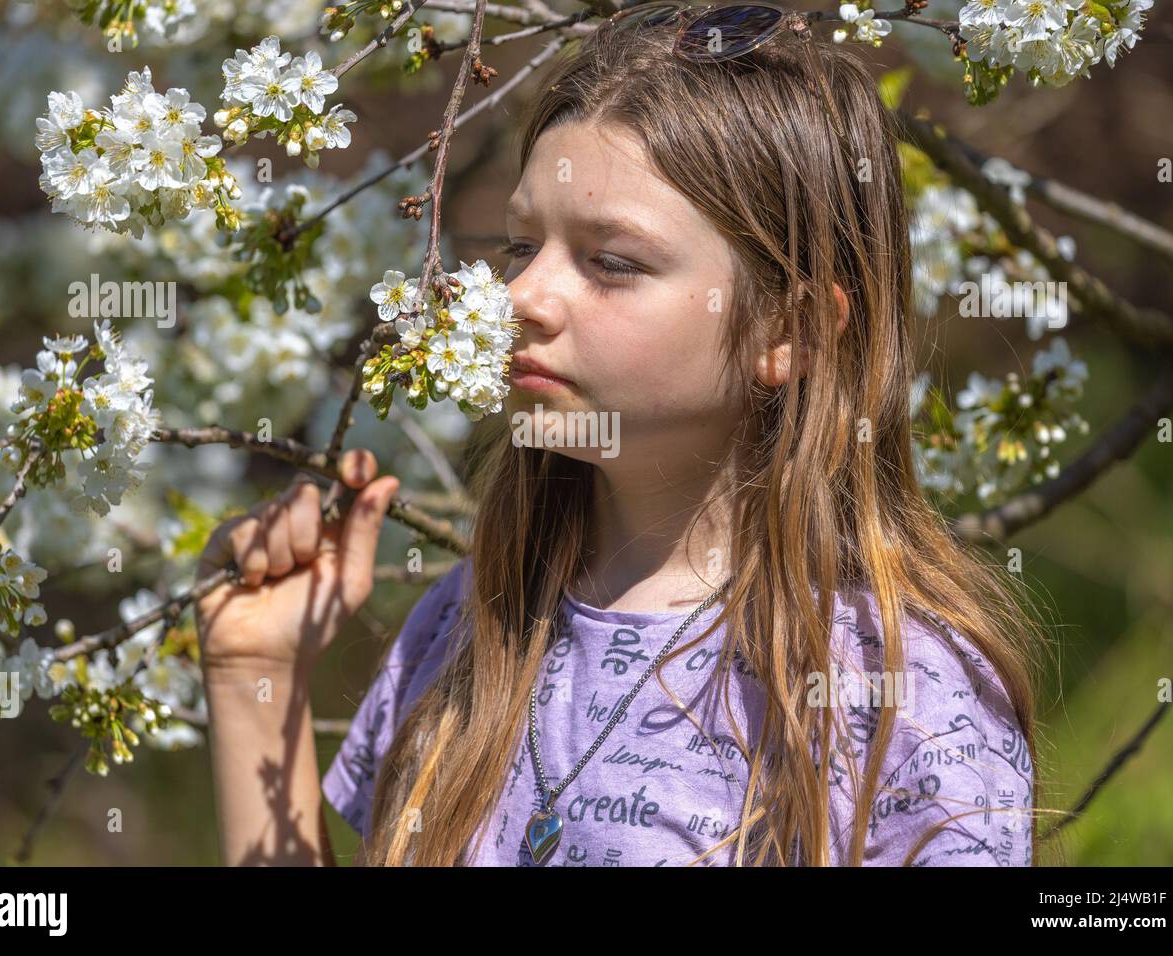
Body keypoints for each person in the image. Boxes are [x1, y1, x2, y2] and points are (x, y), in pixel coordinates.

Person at [197, 11, 1048, 867]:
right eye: (521, 246)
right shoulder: (467, 623)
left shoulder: (898, 687)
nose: (522, 296)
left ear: (791, 334)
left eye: (612, 262)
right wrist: (252, 681)